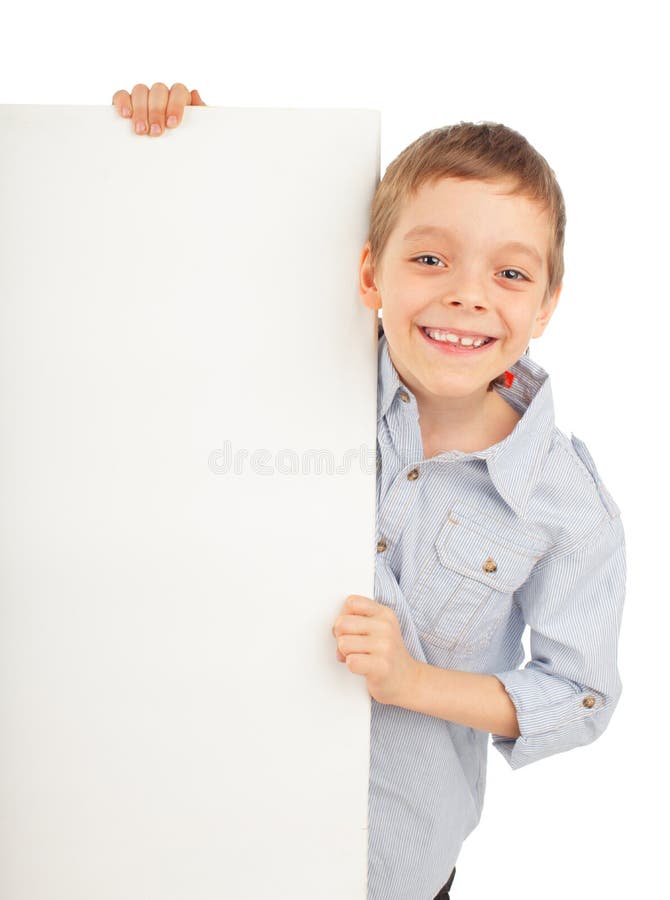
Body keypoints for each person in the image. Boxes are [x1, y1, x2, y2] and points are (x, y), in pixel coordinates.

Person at [112, 84, 626, 900]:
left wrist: (413, 682)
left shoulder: (568, 506)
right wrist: (193, 153)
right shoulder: (299, 381)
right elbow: (205, 299)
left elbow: (581, 697)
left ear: (546, 305)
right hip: (216, 832)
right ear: (369, 273)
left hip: (394, 869)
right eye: (430, 259)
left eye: (510, 272)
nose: (467, 293)